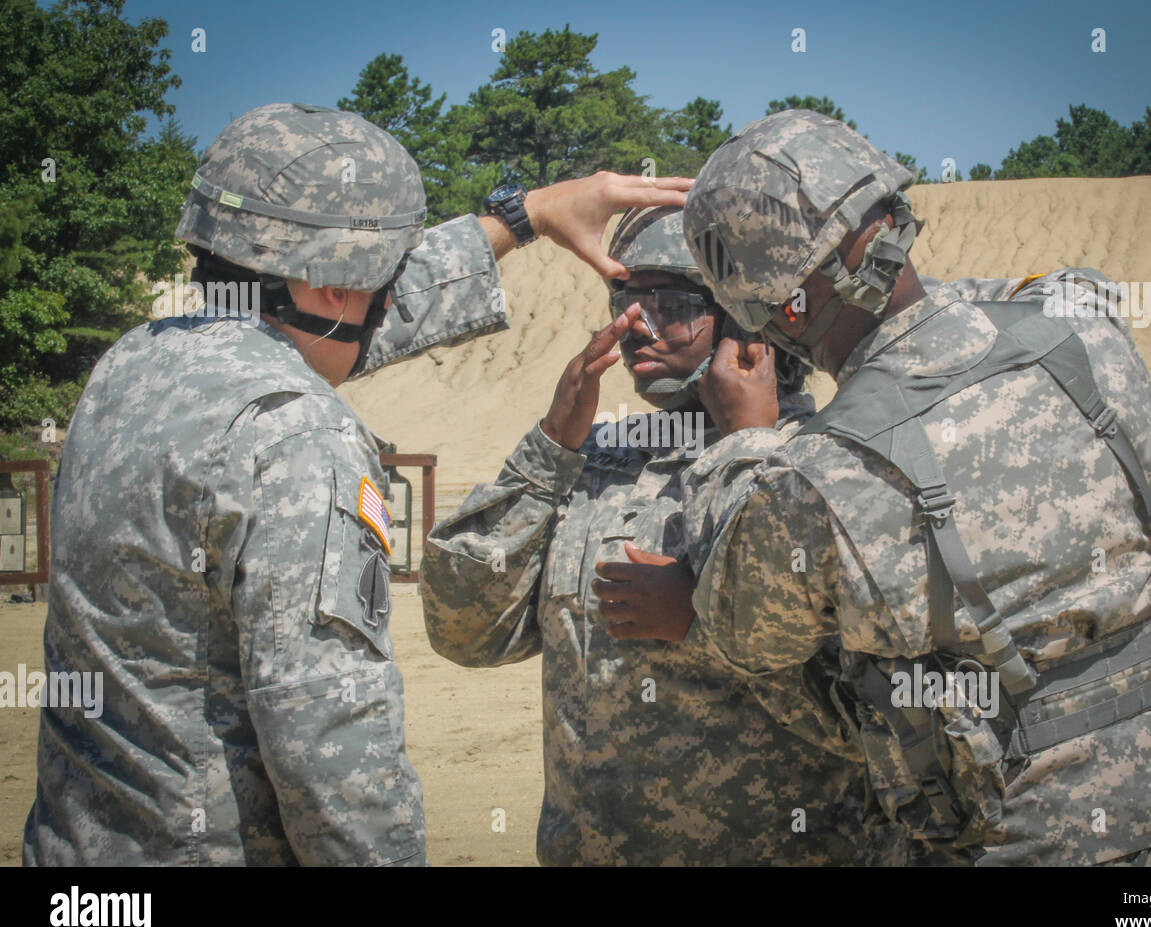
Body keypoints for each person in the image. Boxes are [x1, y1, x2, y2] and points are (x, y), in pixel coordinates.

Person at [23, 102, 689, 866]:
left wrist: (526, 214)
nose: (386, 307)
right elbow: (329, 743)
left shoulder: (133, 364)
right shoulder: (296, 434)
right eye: (381, 280)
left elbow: (318, 322)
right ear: (337, 289)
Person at [659, 110, 1151, 865]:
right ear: (893, 211)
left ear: (763, 306)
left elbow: (747, 629)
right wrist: (923, 306)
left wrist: (744, 439)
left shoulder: (815, 476)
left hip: (1014, 838)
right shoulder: (1089, 333)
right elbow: (1060, 289)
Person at [421, 206, 917, 865]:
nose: (636, 327)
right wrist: (548, 449)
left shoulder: (833, 465)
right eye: (627, 300)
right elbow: (467, 634)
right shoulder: (590, 463)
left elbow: (884, 721)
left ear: (749, 320)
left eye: (673, 304)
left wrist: (704, 618)